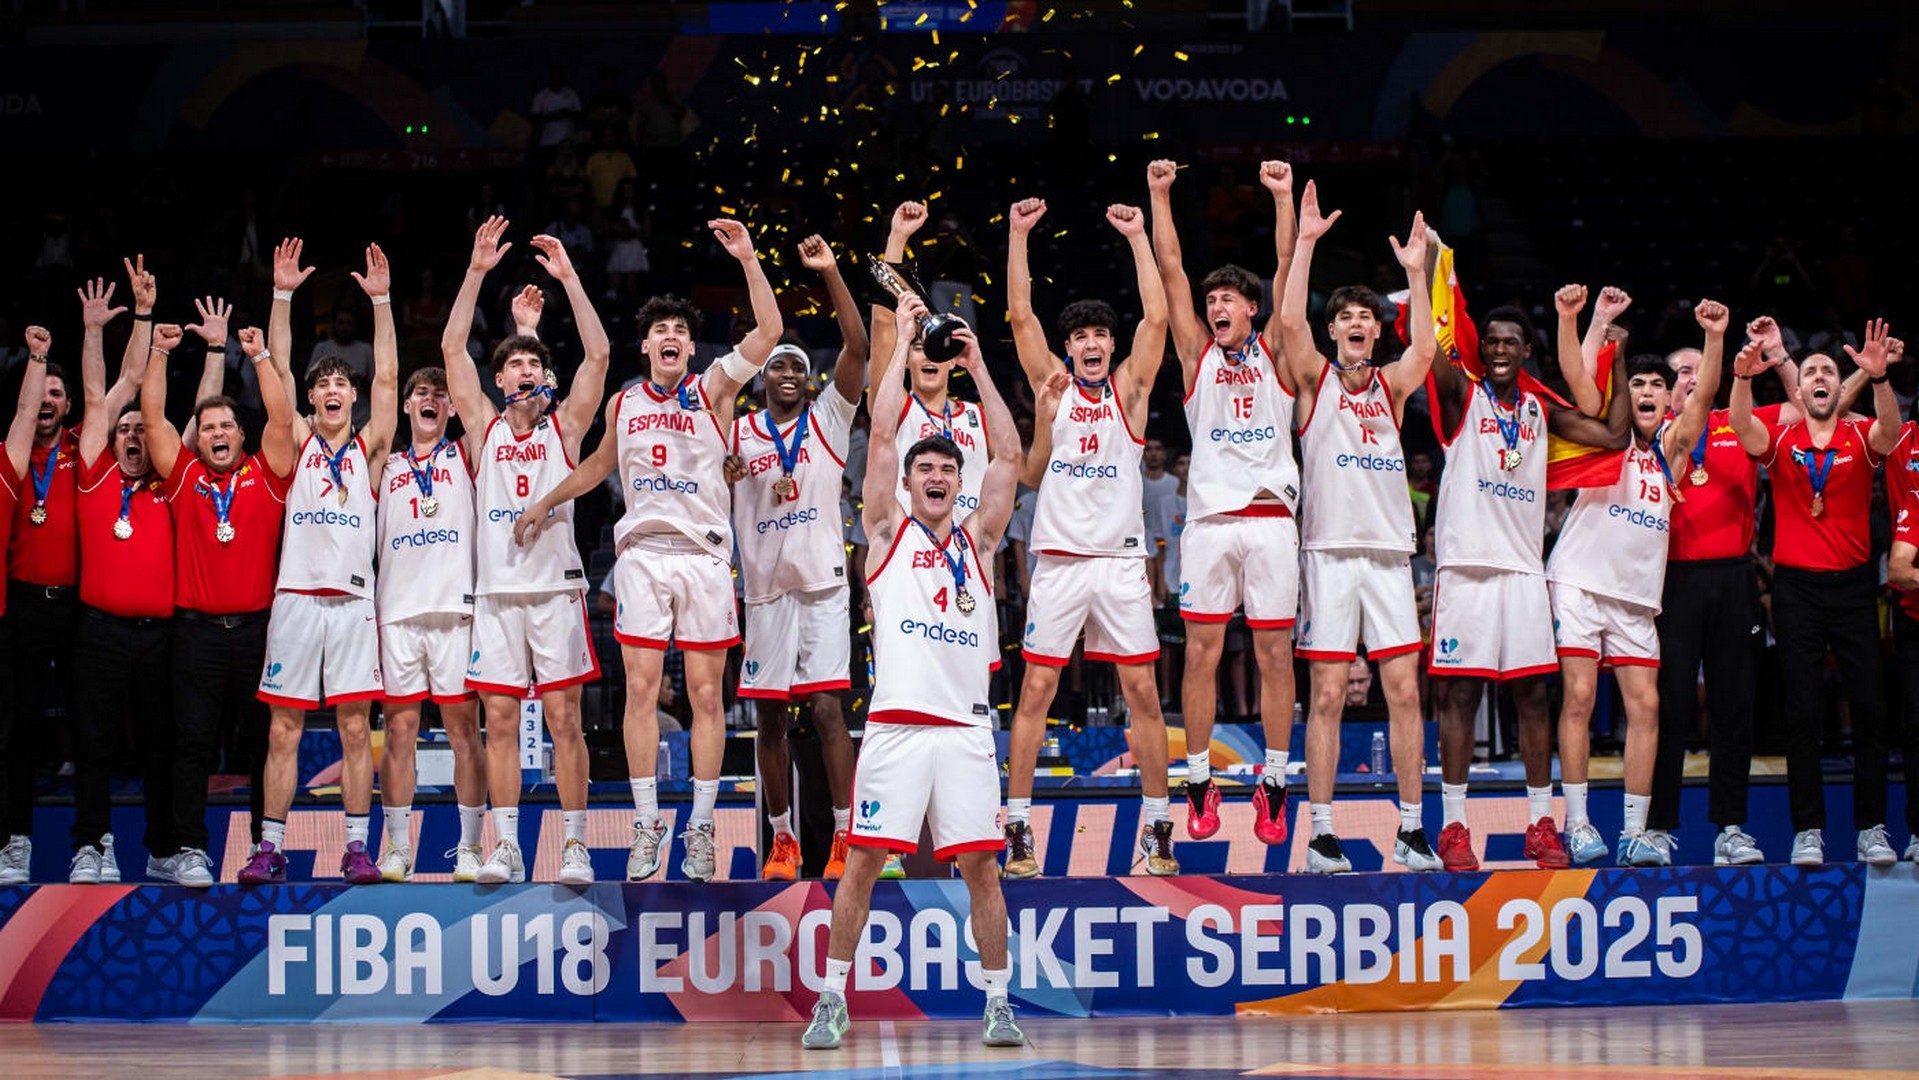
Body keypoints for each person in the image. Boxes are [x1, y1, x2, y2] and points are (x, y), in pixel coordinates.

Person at [517, 217, 778, 883]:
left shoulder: (714, 389)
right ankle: (644, 825)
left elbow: (770, 333)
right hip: (640, 557)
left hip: (703, 558)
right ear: (645, 346)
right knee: (638, 689)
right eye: (660, 330)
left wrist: (748, 259)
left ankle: (699, 829)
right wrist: (547, 500)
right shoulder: (625, 402)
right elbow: (597, 467)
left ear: (692, 348)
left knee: (705, 695)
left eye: (680, 332)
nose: (670, 337)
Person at [801, 295, 1023, 1052]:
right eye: (923, 467)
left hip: (965, 731)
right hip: (896, 727)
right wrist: (896, 349)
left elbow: (1013, 459)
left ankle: (998, 1004)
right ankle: (830, 999)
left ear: (957, 483)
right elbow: (885, 433)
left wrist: (978, 365)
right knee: (861, 864)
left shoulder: (979, 541)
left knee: (982, 874)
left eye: (944, 469)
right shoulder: (885, 532)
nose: (933, 475)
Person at [1424, 291, 1629, 872]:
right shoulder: (1464, 395)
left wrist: (1619, 355)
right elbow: (1433, 353)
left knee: (1534, 698)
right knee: (1459, 697)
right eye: (1490, 341)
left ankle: (1542, 825)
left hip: (1522, 572)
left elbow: (1613, 438)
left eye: (1509, 343)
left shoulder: (1540, 411)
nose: (1498, 350)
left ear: (1527, 352)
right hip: (1465, 569)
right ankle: (1455, 828)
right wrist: (1421, 280)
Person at [1001, 195, 1175, 877]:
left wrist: (1136, 236)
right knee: (1036, 693)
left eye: (1100, 335)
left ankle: (1157, 830)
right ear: (1069, 349)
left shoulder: (1131, 390)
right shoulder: (1053, 388)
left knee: (1142, 695)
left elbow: (1157, 318)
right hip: (1059, 564)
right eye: (1080, 338)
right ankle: (1017, 829)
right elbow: (1020, 316)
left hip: (1120, 564)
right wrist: (1018, 234)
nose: (1092, 344)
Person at [1277, 183, 1439, 873]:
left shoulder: (1391, 386)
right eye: (1341, 316)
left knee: (1403, 690)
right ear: (1334, 328)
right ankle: (1318, 834)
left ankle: (1409, 831)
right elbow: (1287, 327)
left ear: (1376, 330)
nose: (1351, 324)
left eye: (1362, 318)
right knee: (1324, 696)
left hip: (1387, 557)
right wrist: (1305, 244)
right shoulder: (1313, 381)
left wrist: (1413, 273)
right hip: (1328, 556)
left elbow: (1427, 350)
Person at [446, 217, 610, 886]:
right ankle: (507, 846)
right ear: (499, 376)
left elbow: (597, 359)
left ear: (544, 376)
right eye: (514, 362)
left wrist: (570, 279)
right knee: (501, 722)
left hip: (554, 591)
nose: (525, 369)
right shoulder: (482, 431)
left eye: (534, 362)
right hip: (495, 597)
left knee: (566, 718)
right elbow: (452, 346)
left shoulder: (563, 428)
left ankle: (574, 845)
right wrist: (476, 269)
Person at [1147, 157, 1301, 844]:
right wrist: (1159, 194)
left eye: (1227, 301)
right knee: (1202, 654)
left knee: (1273, 658)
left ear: (1251, 310)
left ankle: (1272, 780)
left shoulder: (1280, 354)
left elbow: (1290, 263)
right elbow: (1172, 269)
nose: (1214, 308)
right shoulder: (1194, 356)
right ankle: (1201, 780)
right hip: (1208, 522)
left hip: (1269, 521)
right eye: (1211, 303)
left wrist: (1281, 195)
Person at [1546, 290, 1726, 867]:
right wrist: (1592, 320)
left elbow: (1702, 400)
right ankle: (1576, 825)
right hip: (1578, 581)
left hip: (1636, 600)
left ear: (1668, 398)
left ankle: (1633, 831)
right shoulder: (1606, 434)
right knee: (1579, 695)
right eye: (1639, 384)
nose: (1646, 391)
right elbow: (1578, 371)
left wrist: (1715, 337)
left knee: (1646, 708)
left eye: (1657, 385)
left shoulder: (1672, 451)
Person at [239, 241, 398, 885]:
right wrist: (281, 295)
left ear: (352, 397)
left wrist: (382, 302)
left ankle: (358, 847)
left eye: (341, 383)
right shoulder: (299, 441)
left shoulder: (371, 448)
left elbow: (389, 377)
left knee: (356, 730)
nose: (333, 389)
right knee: (284, 730)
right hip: (297, 600)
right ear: (310, 400)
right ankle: (269, 847)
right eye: (322, 384)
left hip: (354, 603)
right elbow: (272, 366)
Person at [1727, 318, 1903, 867]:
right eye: (1811, 372)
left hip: (1854, 591)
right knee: (1801, 712)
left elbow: (1892, 435)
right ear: (1798, 392)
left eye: (1829, 369)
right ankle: (1808, 830)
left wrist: (1876, 380)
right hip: (1797, 589)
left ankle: (1871, 827)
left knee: (1871, 710)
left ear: (1838, 385)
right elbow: (1740, 426)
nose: (1821, 376)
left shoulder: (1858, 433)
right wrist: (1740, 378)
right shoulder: (1782, 438)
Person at [724, 235, 865, 881]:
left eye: (796, 366)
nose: (786, 373)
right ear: (762, 376)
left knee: (829, 710)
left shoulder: (830, 420)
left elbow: (858, 348)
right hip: (764, 590)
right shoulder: (736, 434)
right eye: (776, 364)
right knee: (770, 716)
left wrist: (832, 272)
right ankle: (782, 839)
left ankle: (844, 837)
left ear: (808, 379)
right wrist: (723, 473)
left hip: (823, 588)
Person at [1649, 314, 1811, 865]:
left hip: (1735, 578)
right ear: (1668, 387)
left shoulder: (1738, 423)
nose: (1692, 378)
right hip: (1671, 581)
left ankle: (1730, 829)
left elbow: (1805, 409)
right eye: (1681, 373)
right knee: (1668, 707)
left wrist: (1780, 354)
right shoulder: (1657, 433)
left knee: (1734, 705)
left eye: (1700, 369)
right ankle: (1659, 826)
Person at [144, 308, 296, 885]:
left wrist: (258, 358)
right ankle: (189, 849)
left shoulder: (268, 473)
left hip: (259, 631)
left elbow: (281, 419)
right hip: (197, 634)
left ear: (240, 433)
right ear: (199, 438)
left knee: (263, 745)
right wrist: (159, 352)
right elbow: (154, 415)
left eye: (225, 427)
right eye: (206, 428)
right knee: (193, 746)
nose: (216, 435)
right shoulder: (182, 476)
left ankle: (265, 846)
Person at [68, 273, 183, 884]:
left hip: (159, 637)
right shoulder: (92, 473)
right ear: (108, 441)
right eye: (125, 430)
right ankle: (92, 845)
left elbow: (157, 403)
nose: (135, 435)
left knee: (159, 748)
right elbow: (102, 393)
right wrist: (106, 328)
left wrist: (150, 319)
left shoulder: (171, 483)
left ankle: (162, 849)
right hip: (99, 634)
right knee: (95, 745)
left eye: (142, 429)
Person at [373, 358, 486, 883]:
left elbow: (481, 408)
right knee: (399, 732)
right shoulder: (386, 466)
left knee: (465, 733)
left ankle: (469, 846)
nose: (432, 400)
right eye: (422, 392)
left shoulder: (466, 454)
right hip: (396, 615)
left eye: (442, 394)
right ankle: (397, 848)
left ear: (452, 406)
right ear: (406, 404)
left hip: (455, 613)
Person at [3, 294, 84, 880]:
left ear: (71, 405)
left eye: (58, 393)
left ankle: (94, 843)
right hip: (22, 606)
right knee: (17, 728)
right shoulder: (11, 458)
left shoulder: (89, 452)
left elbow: (120, 388)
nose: (48, 402)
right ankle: (14, 840)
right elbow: (25, 413)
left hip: (78, 606)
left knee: (90, 730)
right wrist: (38, 359)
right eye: (41, 395)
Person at [871, 201, 991, 521]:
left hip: (966, 557)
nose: (928, 356)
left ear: (953, 360)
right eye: (919, 348)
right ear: (906, 359)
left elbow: (1021, 468)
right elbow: (884, 326)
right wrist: (897, 237)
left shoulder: (979, 417)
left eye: (937, 350)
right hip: (909, 553)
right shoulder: (896, 408)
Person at [0, 325, 56, 884]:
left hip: (5, 623)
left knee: (10, 732)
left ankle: (11, 839)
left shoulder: (5, 467)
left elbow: (23, 415)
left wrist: (37, 356)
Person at [1872, 334, 1919, 864]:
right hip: (1910, 617)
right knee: (1913, 723)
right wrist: (1878, 375)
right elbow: (1904, 569)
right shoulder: (1903, 438)